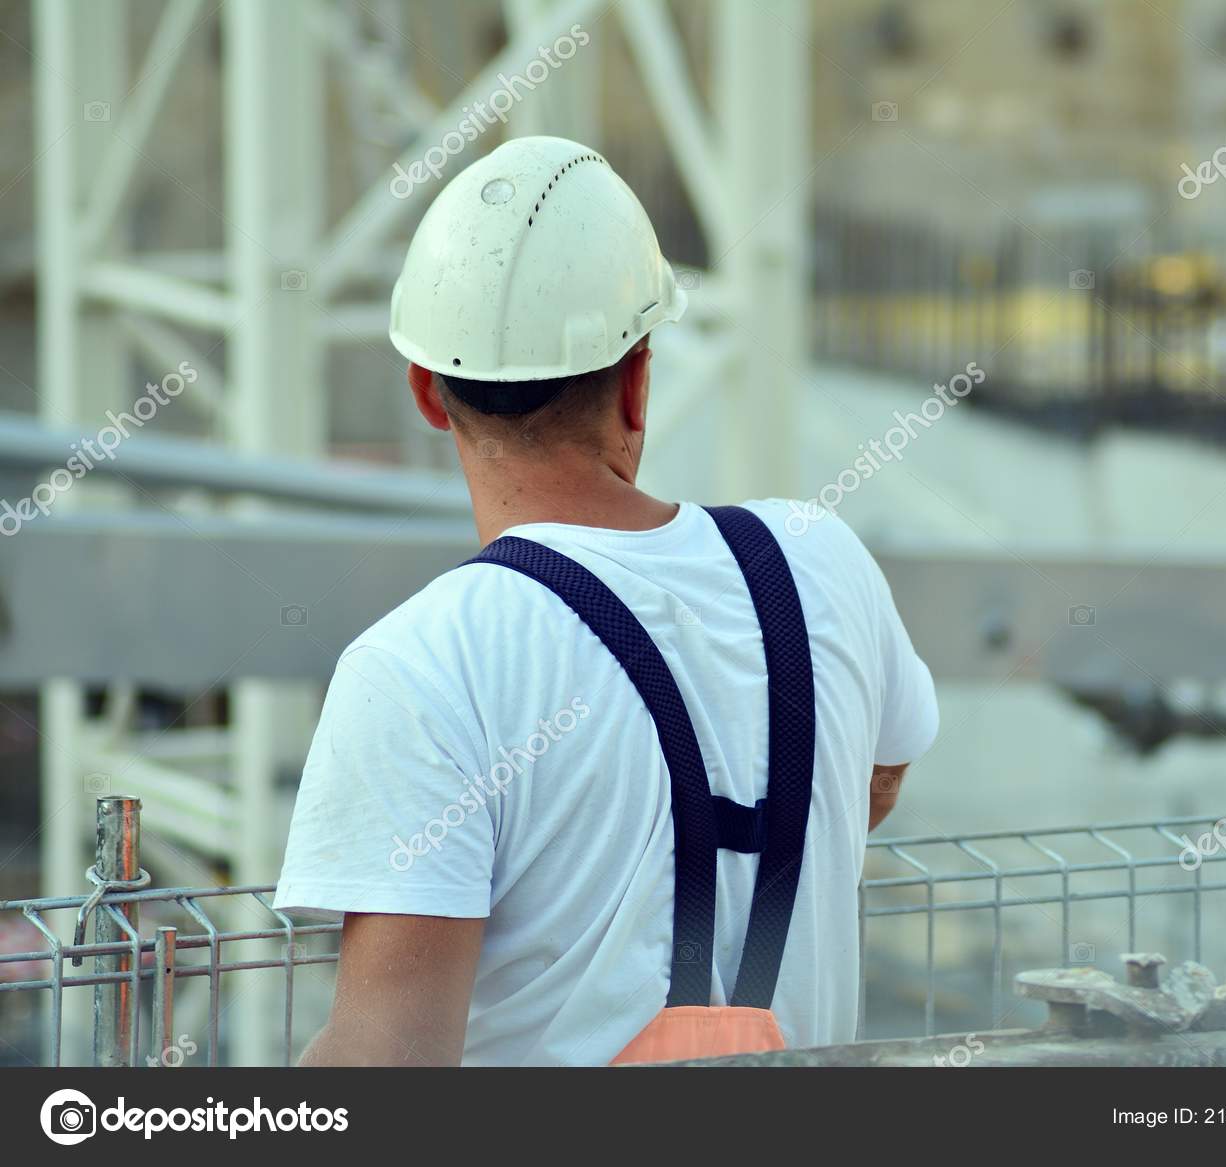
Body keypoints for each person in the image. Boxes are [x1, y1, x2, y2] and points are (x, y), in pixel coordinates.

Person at [274, 136, 938, 1065]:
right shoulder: (820, 556)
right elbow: (879, 773)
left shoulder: (422, 664)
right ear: (638, 380)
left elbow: (390, 1063)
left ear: (428, 391)